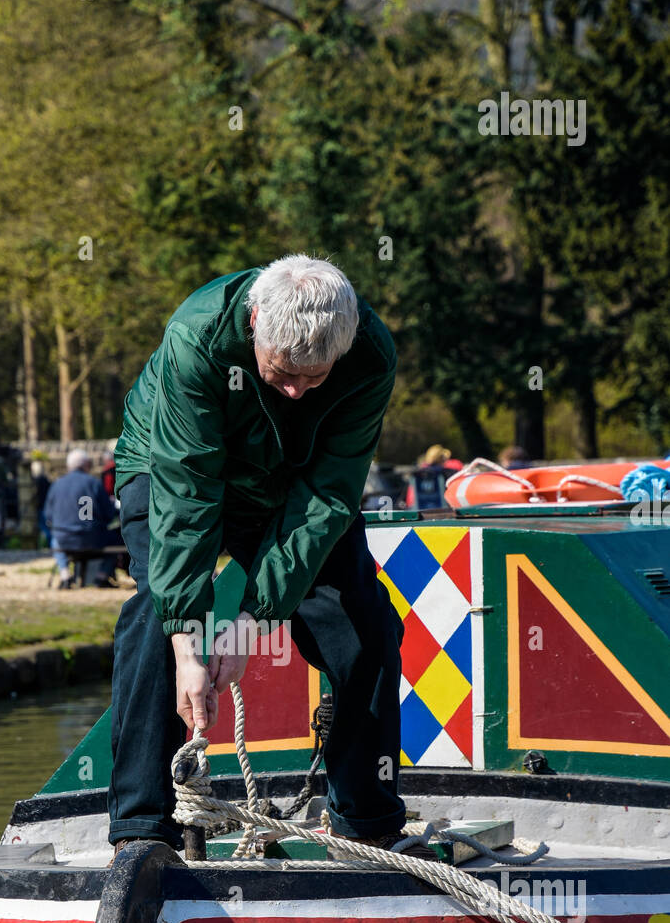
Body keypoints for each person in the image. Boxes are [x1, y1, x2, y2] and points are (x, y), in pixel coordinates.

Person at [107, 253, 438, 863]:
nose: (295, 391)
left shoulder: (371, 356)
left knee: (364, 624)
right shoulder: (196, 339)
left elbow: (327, 496)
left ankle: (366, 818)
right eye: (283, 373)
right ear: (256, 321)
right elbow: (188, 493)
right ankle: (139, 827)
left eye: (314, 380)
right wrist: (190, 642)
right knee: (158, 611)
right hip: (171, 465)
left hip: (294, 483)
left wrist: (256, 616)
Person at [44, 448, 116, 589]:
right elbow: (109, 514)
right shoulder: (93, 483)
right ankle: (101, 576)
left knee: (55, 540)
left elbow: (48, 515)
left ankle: (65, 576)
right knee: (118, 539)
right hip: (92, 539)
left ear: (68, 465)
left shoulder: (57, 484)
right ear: (86, 464)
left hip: (64, 539)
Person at [404, 444, 463, 509]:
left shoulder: (417, 475)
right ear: (442, 459)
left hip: (417, 510)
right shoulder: (447, 473)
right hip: (442, 510)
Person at [30, 458, 51, 547]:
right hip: (46, 506)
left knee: (44, 528)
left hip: (41, 507)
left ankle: (49, 545)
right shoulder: (46, 480)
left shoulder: (37, 481)